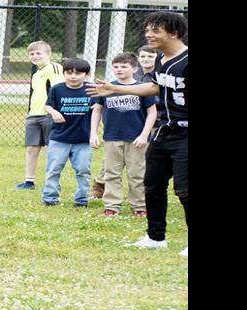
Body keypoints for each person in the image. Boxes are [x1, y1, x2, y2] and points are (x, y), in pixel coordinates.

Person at [90, 12, 186, 253]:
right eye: (147, 30)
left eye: (155, 30)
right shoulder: (162, 60)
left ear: (173, 33)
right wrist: (114, 88)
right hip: (164, 132)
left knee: (185, 189)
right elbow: (154, 86)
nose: (148, 34)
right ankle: (156, 238)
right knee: (152, 185)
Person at [90, 52, 155, 217]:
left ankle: (140, 207)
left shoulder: (141, 88)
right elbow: (97, 110)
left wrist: (144, 135)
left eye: (124, 66)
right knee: (111, 173)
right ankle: (112, 206)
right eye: (116, 66)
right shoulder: (107, 88)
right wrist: (93, 133)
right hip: (112, 137)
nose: (119, 69)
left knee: (137, 174)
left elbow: (152, 113)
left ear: (134, 68)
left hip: (137, 139)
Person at [41, 58, 94, 207]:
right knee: (53, 169)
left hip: (83, 139)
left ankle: (82, 199)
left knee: (84, 170)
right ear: (64, 73)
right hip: (60, 138)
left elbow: (100, 108)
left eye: (78, 73)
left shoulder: (92, 90)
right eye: (69, 73)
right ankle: (50, 198)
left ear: (87, 74)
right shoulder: (57, 89)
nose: (73, 76)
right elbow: (48, 106)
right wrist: (54, 112)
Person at [16, 41, 64, 190]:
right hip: (34, 115)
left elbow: (59, 89)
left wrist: (55, 110)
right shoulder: (36, 74)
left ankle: (52, 182)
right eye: (32, 54)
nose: (35, 56)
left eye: (38, 53)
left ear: (48, 54)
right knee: (31, 148)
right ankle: (29, 181)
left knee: (50, 149)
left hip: (49, 114)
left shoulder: (54, 68)